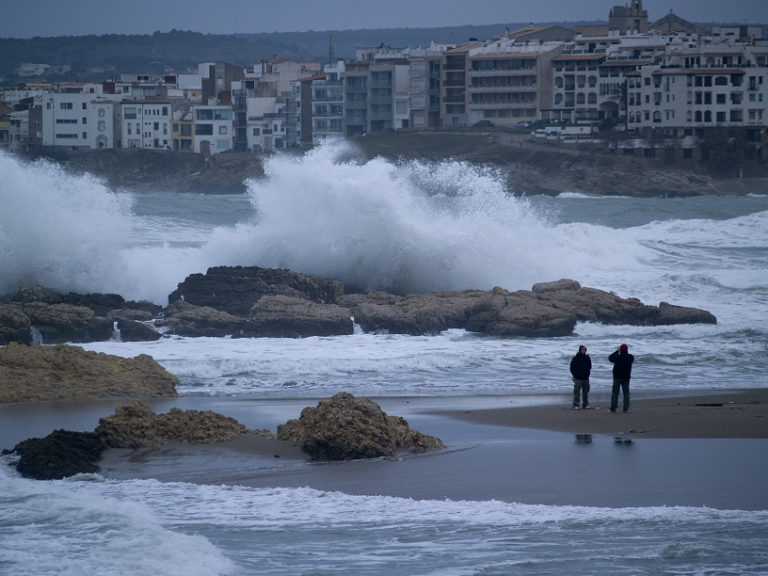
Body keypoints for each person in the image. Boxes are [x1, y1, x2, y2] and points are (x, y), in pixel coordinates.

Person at [608, 343, 635, 413]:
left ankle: (613, 408)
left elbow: (610, 358)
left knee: (615, 393)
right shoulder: (630, 357)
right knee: (626, 393)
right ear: (627, 349)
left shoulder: (617, 356)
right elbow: (632, 359)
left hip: (617, 377)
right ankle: (625, 408)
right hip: (626, 377)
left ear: (620, 349)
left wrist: (617, 351)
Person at [569, 345, 592, 409]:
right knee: (577, 392)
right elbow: (571, 367)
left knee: (586, 392)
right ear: (580, 350)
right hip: (578, 378)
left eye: (584, 349)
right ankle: (576, 405)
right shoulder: (576, 358)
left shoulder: (587, 358)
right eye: (582, 349)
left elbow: (590, 366)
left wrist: (588, 374)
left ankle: (585, 404)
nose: (583, 351)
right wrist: (575, 374)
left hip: (586, 378)